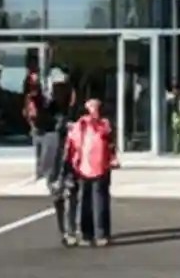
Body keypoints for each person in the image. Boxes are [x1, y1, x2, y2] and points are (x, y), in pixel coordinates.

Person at [66, 98, 118, 246]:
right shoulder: (100, 125)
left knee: (91, 200)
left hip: (90, 167)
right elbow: (110, 143)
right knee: (95, 200)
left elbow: (73, 144)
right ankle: (97, 234)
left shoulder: (87, 125)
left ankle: (92, 234)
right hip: (94, 166)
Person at [36, 78, 78, 246]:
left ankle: (69, 230)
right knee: (61, 196)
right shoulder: (50, 112)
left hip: (66, 160)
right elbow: (41, 127)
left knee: (68, 194)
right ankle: (66, 230)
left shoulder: (71, 111)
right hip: (57, 160)